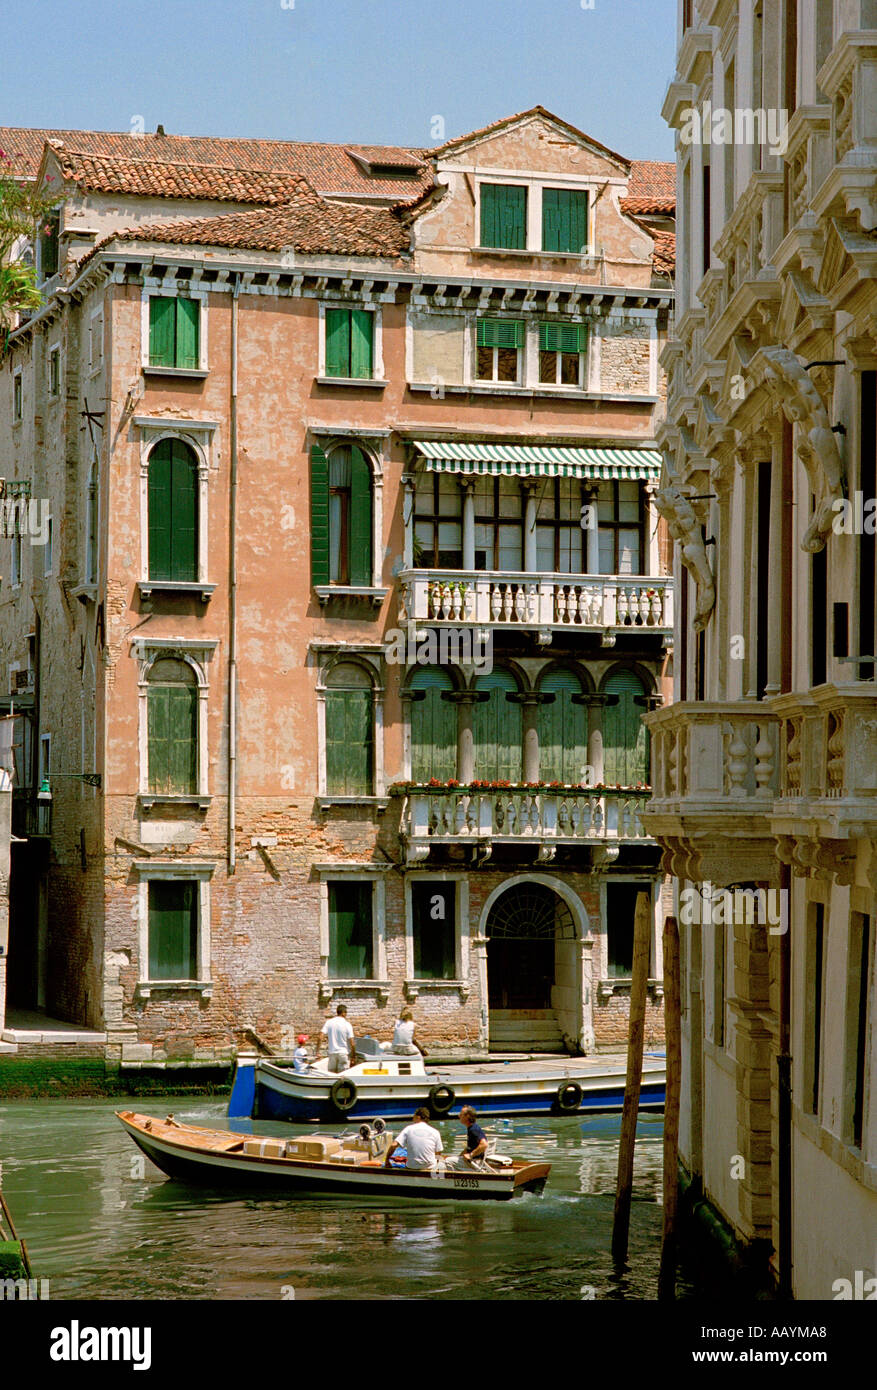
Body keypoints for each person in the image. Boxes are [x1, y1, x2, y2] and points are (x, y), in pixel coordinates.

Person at [384, 1107, 444, 1171]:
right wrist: (437, 1168)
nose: (412, 1118)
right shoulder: (435, 1132)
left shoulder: (408, 1129)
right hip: (430, 1167)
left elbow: (393, 1145)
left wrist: (387, 1160)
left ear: (418, 1117)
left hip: (412, 1167)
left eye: (414, 1116)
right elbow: (438, 1153)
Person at [320, 1004, 355, 1073]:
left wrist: (317, 1052)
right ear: (343, 1013)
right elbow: (352, 1043)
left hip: (332, 1053)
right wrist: (353, 1056)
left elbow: (320, 1037)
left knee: (331, 1075)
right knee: (342, 1076)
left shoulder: (329, 1022)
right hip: (343, 1053)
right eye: (346, 1012)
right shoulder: (347, 1024)